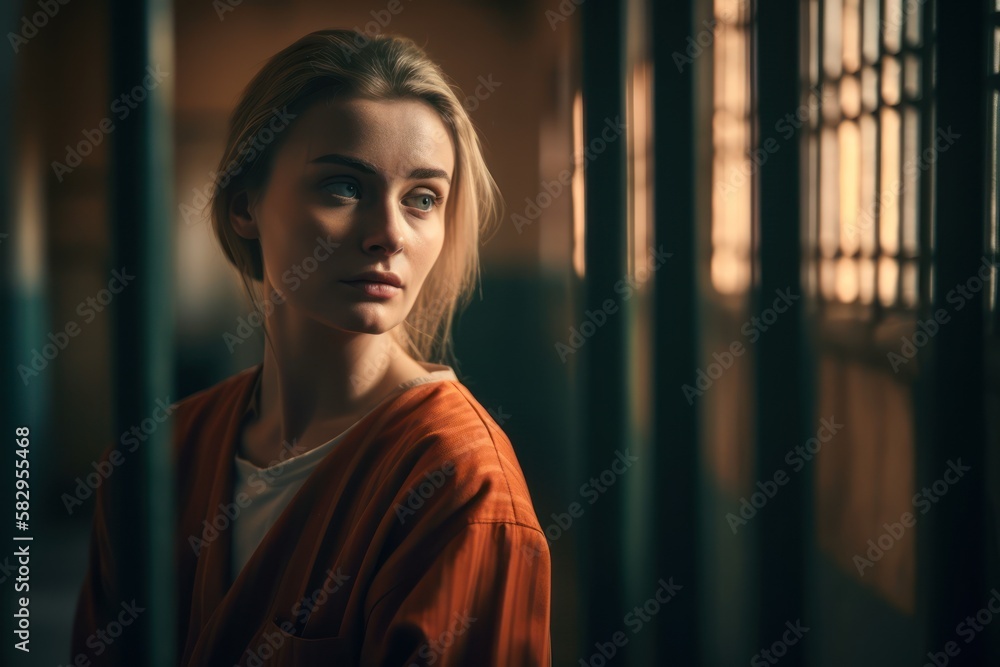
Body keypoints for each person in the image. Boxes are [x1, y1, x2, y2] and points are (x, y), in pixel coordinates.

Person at [72, 29, 551, 666]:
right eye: (344, 187)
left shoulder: (462, 489)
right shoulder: (161, 456)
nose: (389, 234)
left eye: (423, 199)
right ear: (245, 205)